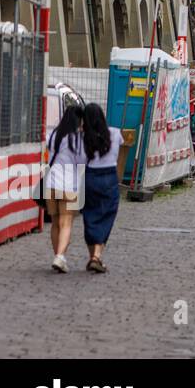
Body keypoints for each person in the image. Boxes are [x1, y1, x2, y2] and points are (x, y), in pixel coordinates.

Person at [81, 103, 134, 273]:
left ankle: (93, 257)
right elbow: (121, 146)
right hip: (109, 176)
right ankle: (96, 256)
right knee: (107, 214)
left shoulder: (83, 138)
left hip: (90, 177)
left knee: (90, 214)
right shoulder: (114, 133)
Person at [45, 105, 86, 273]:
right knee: (66, 222)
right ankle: (60, 256)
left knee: (55, 223)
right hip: (69, 184)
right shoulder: (77, 139)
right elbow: (82, 160)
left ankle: (58, 256)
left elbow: (48, 152)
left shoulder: (53, 135)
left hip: (51, 184)